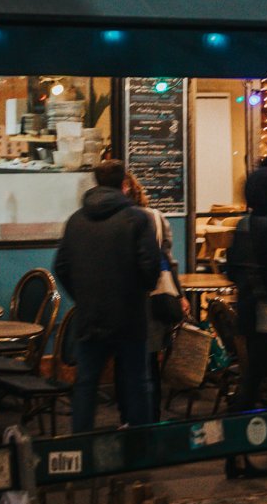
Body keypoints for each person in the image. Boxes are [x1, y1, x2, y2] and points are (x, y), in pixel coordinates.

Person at [54, 158, 160, 433]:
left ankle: (82, 449)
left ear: (97, 184)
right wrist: (139, 291)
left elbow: (61, 266)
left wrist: (83, 295)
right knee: (136, 383)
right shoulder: (137, 219)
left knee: (86, 385)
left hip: (90, 315)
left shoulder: (76, 220)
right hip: (129, 316)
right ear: (124, 185)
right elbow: (151, 267)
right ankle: (139, 449)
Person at [224, 154, 267, 479]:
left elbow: (230, 269)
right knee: (255, 380)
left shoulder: (243, 223)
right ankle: (238, 451)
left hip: (248, 309)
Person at [124, 170, 190, 418]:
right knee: (150, 360)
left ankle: (137, 419)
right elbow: (168, 261)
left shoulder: (131, 220)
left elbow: (166, 260)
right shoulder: (156, 218)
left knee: (137, 362)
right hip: (154, 296)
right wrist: (180, 295)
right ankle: (151, 418)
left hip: (137, 299)